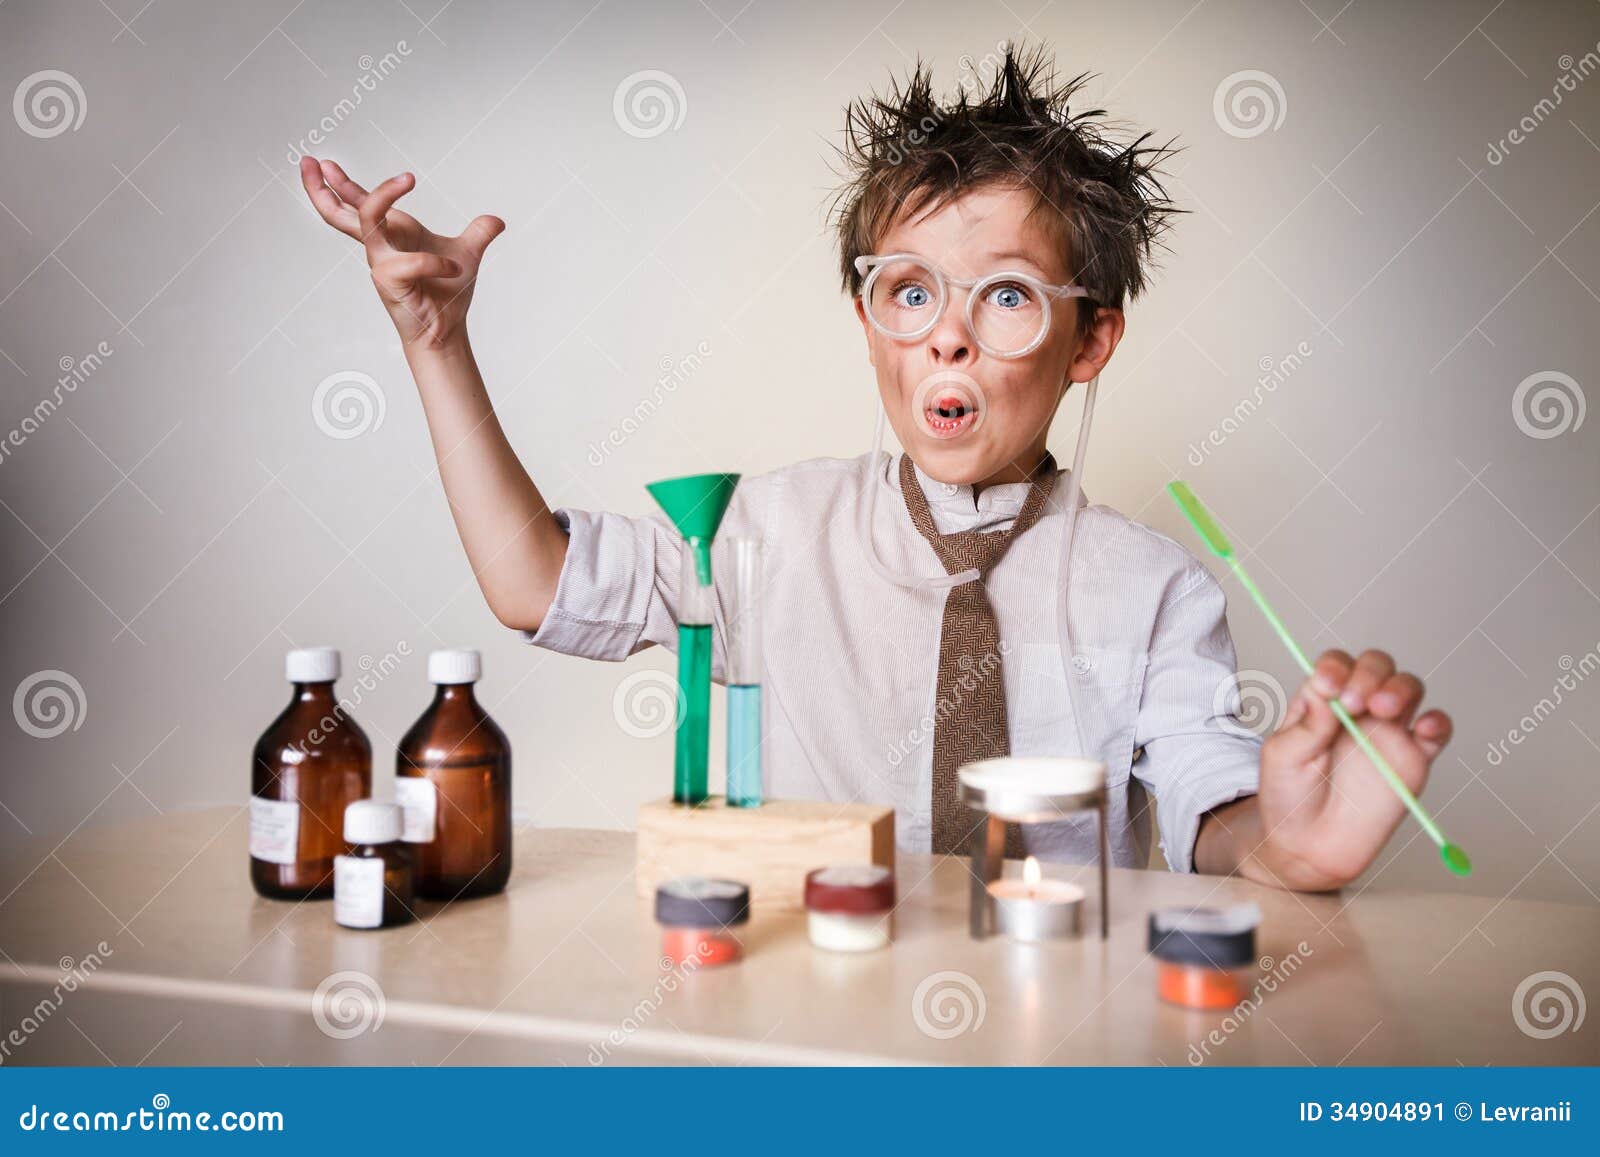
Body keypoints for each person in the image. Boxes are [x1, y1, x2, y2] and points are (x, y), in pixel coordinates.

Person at [297, 44, 1453, 890]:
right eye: (909, 292)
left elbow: (1215, 808)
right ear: (869, 320)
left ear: (1090, 338)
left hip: (1049, 1040)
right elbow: (533, 580)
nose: (947, 335)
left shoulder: (1154, 591)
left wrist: (1286, 841)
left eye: (1005, 294)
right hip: (804, 1020)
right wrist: (435, 341)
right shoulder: (760, 532)